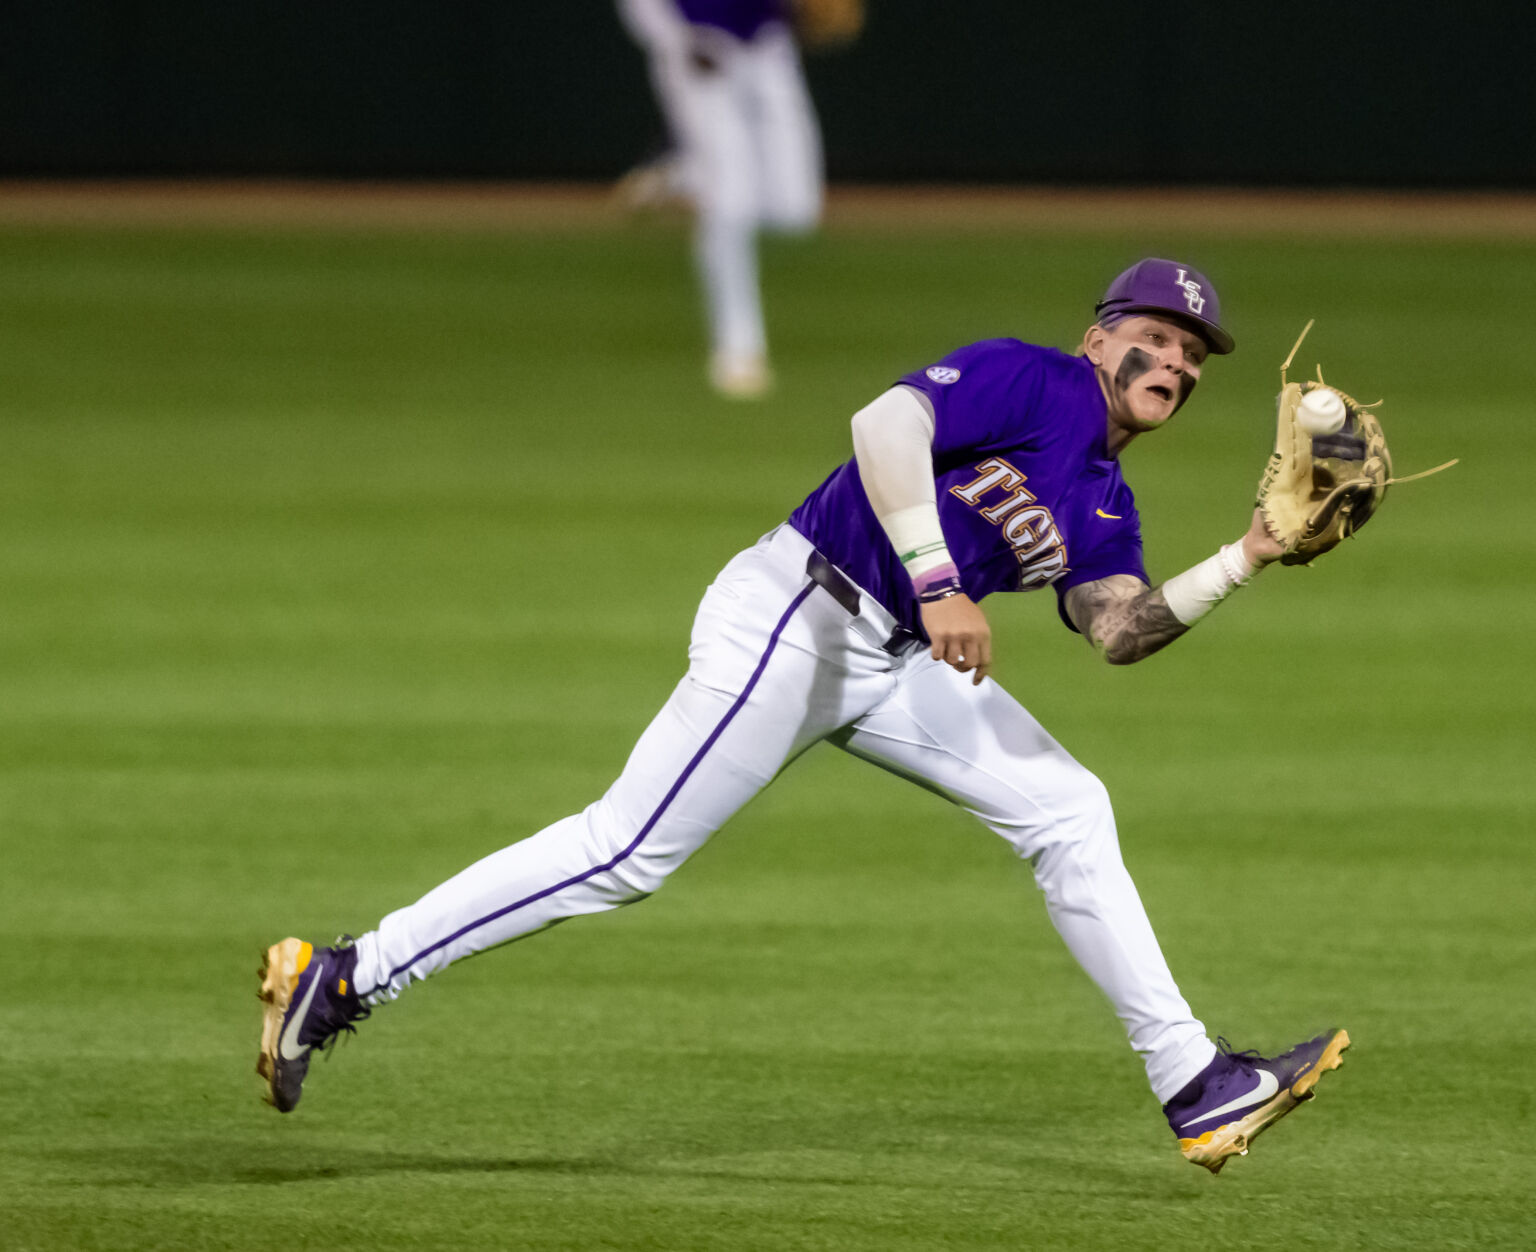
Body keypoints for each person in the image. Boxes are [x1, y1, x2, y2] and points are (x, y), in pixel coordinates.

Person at [257, 258, 1350, 1173]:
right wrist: (935, 577)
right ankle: (347, 974)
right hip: (797, 612)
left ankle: (1194, 1082)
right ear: (1098, 336)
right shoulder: (1037, 381)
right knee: (624, 851)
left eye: (1192, 357)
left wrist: (1246, 556)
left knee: (1068, 808)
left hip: (891, 658)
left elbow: (1119, 628)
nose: (1171, 362)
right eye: (1154, 336)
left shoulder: (1106, 501)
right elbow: (884, 423)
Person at [615, 0, 850, 399]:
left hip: (768, 50)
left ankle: (685, 169)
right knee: (730, 205)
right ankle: (738, 351)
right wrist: (677, 40)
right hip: (700, 50)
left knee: (796, 211)